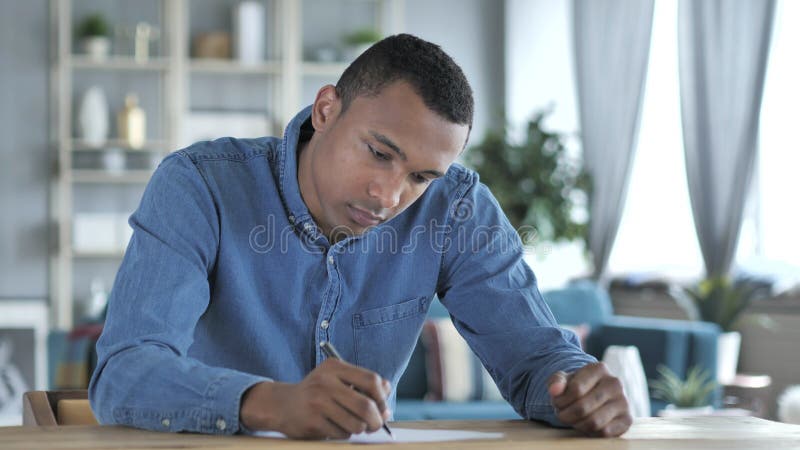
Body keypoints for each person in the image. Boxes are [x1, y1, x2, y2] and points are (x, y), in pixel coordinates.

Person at [89, 34, 631, 439]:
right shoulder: (200, 186)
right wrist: (271, 403)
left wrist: (578, 389)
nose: (389, 195)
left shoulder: (456, 208)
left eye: (420, 177)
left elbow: (536, 357)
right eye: (379, 152)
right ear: (327, 110)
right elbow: (125, 370)